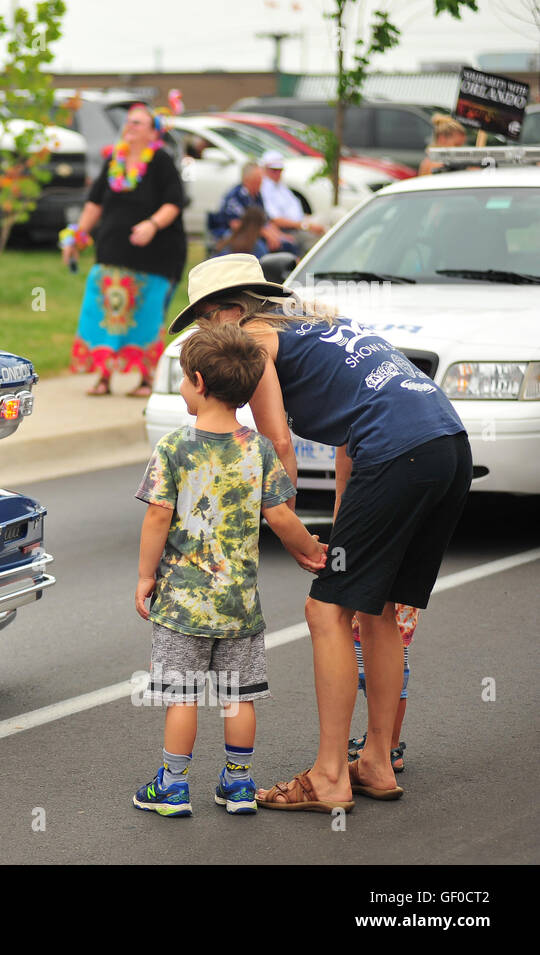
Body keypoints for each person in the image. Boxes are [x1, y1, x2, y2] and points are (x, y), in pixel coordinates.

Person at [168, 254, 471, 812]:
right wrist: (342, 522)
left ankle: (330, 775)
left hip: (398, 451)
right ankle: (376, 762)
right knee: (374, 607)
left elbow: (278, 444)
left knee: (326, 611)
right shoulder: (315, 322)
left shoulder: (255, 342)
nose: (207, 338)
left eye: (206, 322)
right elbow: (350, 430)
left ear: (232, 310)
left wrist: (294, 538)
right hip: (445, 443)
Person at [133, 323, 326, 817]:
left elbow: (157, 515)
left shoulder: (175, 448)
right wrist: (310, 550)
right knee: (239, 697)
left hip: (182, 606)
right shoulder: (258, 450)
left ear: (198, 382)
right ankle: (239, 786)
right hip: (240, 605)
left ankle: (173, 787)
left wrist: (145, 577)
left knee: (183, 698)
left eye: (180, 379)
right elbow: (281, 516)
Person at [64, 103, 186, 398]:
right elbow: (94, 204)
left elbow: (174, 203)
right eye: (129, 122)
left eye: (138, 123)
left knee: (145, 316)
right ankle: (103, 377)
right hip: (111, 253)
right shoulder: (113, 161)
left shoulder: (161, 161)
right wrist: (76, 238)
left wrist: (151, 225)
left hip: (153, 257)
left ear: (152, 131)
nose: (130, 126)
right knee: (103, 313)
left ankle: (146, 379)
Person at [348, 603, 419, 772]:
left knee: (372, 683)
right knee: (396, 688)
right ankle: (391, 747)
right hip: (401, 625)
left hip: (369, 623)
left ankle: (380, 745)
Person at [209, 163, 292, 257]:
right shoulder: (235, 196)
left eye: (261, 180)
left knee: (286, 245)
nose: (260, 184)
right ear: (247, 180)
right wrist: (265, 234)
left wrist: (279, 236)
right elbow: (236, 225)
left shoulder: (257, 196)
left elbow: (265, 221)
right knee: (260, 248)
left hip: (254, 233)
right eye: (257, 181)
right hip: (234, 234)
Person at [257, 150, 325, 253]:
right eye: (274, 170)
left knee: (336, 215)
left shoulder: (281, 186)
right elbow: (275, 219)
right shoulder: (265, 189)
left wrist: (307, 222)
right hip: (293, 229)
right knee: (322, 241)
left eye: (280, 169)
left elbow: (296, 210)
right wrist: (306, 226)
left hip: (302, 222)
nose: (277, 173)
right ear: (265, 169)